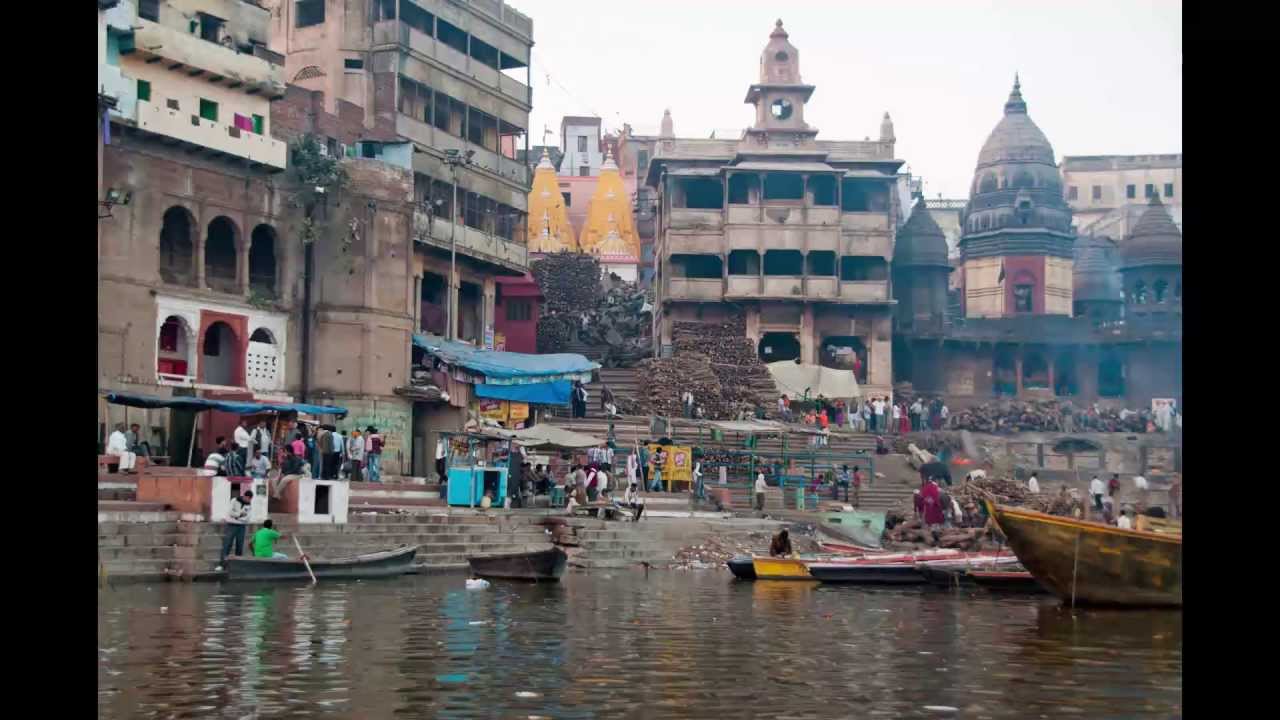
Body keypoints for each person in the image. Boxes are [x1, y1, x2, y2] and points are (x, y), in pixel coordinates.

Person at [217, 489, 253, 569]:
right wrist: (240, 515)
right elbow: (230, 512)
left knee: (239, 546)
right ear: (244, 496)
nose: (248, 500)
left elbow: (247, 518)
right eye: (247, 498)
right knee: (227, 545)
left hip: (242, 527)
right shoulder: (234, 500)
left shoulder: (249, 505)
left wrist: (237, 517)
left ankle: (237, 566)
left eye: (250, 499)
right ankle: (222, 565)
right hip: (231, 525)